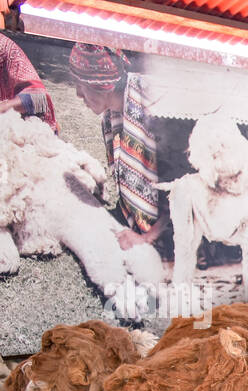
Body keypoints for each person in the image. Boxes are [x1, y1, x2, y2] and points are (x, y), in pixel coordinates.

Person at [67, 42, 178, 254]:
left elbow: (183, 181)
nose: (78, 94)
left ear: (102, 85)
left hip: (173, 233)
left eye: (80, 84)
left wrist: (147, 238)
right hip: (134, 221)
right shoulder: (111, 117)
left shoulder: (151, 104)